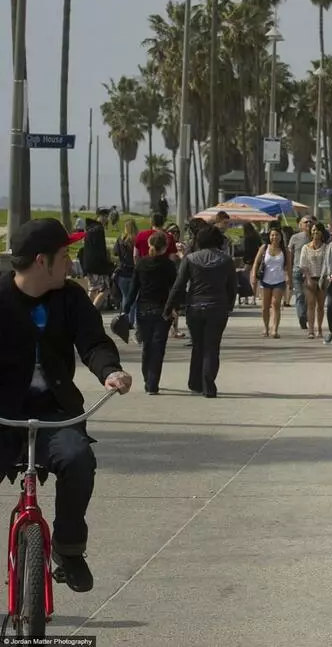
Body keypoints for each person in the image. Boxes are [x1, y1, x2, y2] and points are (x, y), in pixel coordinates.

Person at [0, 219, 133, 592]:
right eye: (66, 255)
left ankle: (68, 549)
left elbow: (93, 342)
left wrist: (110, 371)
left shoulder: (71, 297)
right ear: (42, 261)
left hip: (55, 414)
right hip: (2, 415)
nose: (71, 263)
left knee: (77, 459)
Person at [166, 225, 237, 398]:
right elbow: (232, 287)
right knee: (212, 347)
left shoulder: (190, 259)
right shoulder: (226, 260)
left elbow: (179, 285)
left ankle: (195, 383)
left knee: (198, 346)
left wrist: (169, 307)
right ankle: (208, 383)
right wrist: (229, 306)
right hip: (217, 307)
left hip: (195, 307)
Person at [125, 231, 177, 394]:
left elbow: (133, 289)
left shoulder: (141, 264)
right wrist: (176, 308)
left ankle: (147, 379)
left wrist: (126, 308)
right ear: (165, 247)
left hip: (143, 309)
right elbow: (174, 288)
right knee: (158, 347)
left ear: (149, 245)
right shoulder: (168, 265)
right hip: (163, 310)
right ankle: (153, 383)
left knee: (147, 346)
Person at [251, 225, 290, 339]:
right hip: (265, 281)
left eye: (277, 235)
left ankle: (275, 329)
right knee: (264, 307)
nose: (274, 237)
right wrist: (254, 275)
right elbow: (256, 263)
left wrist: (289, 281)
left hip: (279, 281)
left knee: (276, 304)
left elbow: (288, 267)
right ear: (269, 236)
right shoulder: (264, 248)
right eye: (272, 235)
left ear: (281, 237)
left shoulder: (285, 250)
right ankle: (266, 327)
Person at [299, 223, 329, 340]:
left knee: (320, 306)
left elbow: (327, 264)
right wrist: (308, 278)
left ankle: (319, 328)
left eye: (318, 231)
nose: (315, 233)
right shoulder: (305, 247)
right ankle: (311, 329)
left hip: (322, 279)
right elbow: (303, 265)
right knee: (311, 304)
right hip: (309, 278)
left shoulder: (326, 247)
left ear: (322, 233)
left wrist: (324, 277)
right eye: (313, 231)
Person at [78, 220, 114, 308]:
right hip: (99, 266)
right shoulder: (99, 231)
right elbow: (102, 251)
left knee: (93, 289)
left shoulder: (88, 232)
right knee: (105, 290)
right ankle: (93, 309)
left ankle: (85, 309)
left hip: (88, 266)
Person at [288, 215, 314, 329]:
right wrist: (287, 272)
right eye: (306, 222)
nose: (308, 224)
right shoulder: (294, 238)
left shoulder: (316, 237)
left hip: (312, 272)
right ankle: (302, 317)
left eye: (310, 222)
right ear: (301, 225)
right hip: (297, 270)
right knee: (299, 295)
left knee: (310, 297)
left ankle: (308, 315)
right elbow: (290, 255)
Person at [113, 219, 138, 312]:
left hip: (122, 271)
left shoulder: (120, 239)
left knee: (125, 296)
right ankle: (131, 320)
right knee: (133, 297)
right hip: (134, 272)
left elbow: (115, 253)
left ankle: (125, 318)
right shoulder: (137, 239)